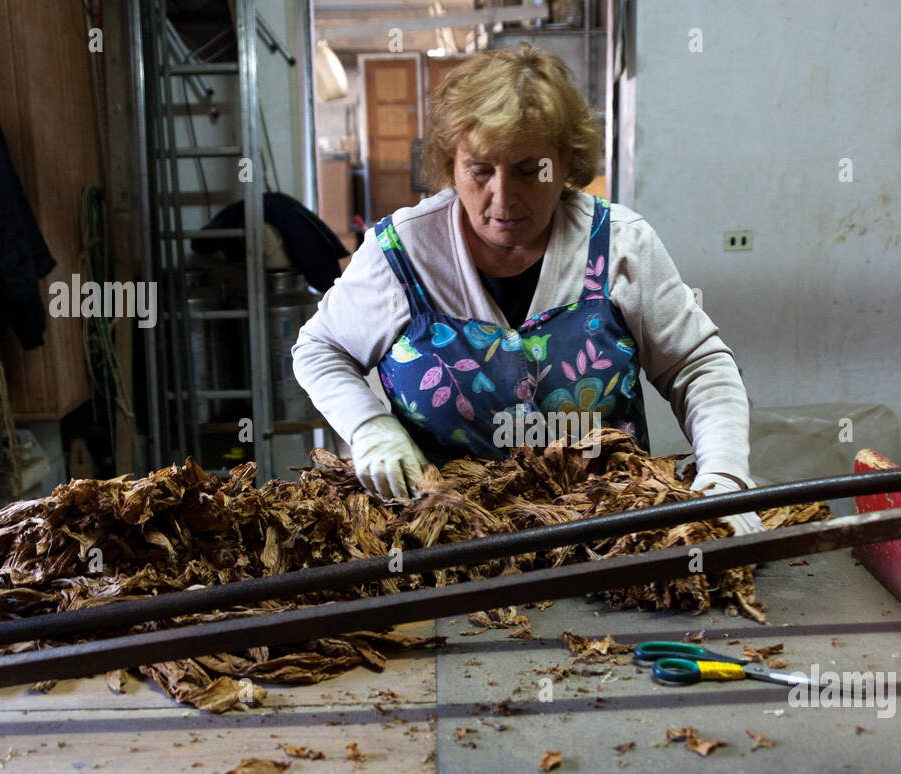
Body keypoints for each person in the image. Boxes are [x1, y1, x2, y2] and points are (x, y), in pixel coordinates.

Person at [293, 44, 761, 534]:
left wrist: (725, 475)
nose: (502, 196)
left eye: (528, 170)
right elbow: (320, 348)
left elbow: (698, 366)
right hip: (445, 538)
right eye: (479, 169)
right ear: (450, 162)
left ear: (565, 165)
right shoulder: (403, 253)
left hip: (607, 534)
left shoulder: (620, 244)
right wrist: (369, 427)